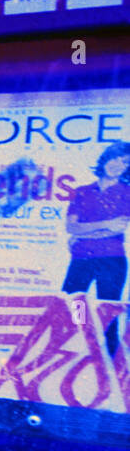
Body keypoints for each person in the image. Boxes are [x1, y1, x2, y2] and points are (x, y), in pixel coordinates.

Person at [62, 141, 130, 355]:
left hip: (112, 260)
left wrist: (82, 234)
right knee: (73, 304)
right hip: (81, 258)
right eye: (115, 159)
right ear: (105, 159)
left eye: (125, 162)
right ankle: (78, 346)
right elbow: (70, 227)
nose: (118, 165)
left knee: (107, 312)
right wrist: (104, 225)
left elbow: (119, 228)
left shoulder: (127, 193)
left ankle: (108, 365)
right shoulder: (83, 191)